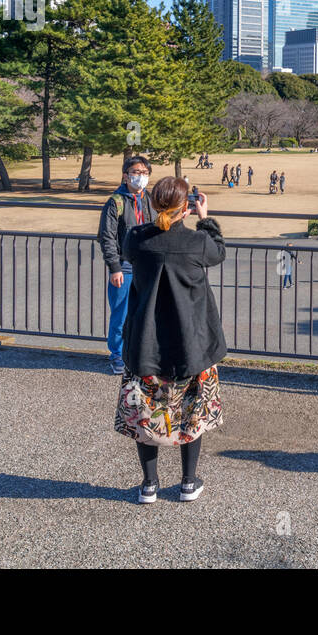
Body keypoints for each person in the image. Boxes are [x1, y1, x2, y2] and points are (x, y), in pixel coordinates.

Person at [115, 177, 226, 505]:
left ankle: (149, 485)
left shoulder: (137, 240)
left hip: (146, 341)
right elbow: (217, 251)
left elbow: (131, 243)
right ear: (184, 208)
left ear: (154, 204)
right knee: (191, 412)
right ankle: (188, 483)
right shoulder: (196, 242)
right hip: (189, 343)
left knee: (146, 414)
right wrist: (205, 219)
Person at [98, 156, 159, 376]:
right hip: (124, 267)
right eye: (136, 172)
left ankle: (139, 355)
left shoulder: (151, 199)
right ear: (125, 174)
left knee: (145, 314)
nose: (140, 176)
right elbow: (107, 237)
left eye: (145, 172)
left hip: (147, 267)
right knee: (121, 314)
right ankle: (117, 355)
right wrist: (114, 267)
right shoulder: (116, 202)